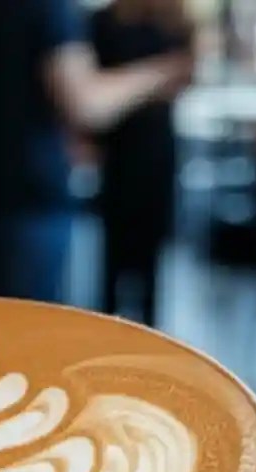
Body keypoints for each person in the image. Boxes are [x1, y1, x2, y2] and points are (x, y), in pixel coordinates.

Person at [0, 0, 188, 303]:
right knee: (28, 337)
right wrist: (162, 71)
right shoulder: (49, 6)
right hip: (30, 197)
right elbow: (86, 105)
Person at [91, 0, 191, 327]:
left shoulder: (174, 20)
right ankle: (108, 332)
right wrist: (157, 75)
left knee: (152, 256)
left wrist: (127, 88)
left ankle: (149, 334)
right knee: (111, 257)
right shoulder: (103, 20)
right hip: (117, 151)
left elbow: (185, 77)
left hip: (156, 150)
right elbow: (96, 96)